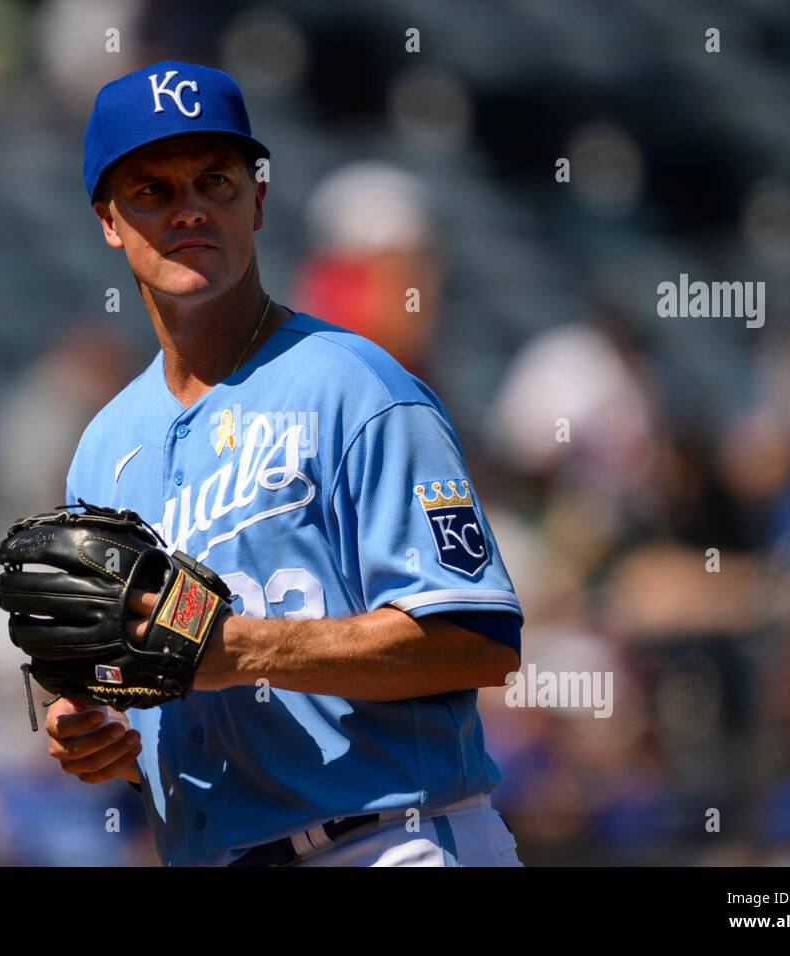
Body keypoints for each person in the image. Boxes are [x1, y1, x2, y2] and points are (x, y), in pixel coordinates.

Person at [45, 60, 524, 867]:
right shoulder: (102, 449)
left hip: (391, 843)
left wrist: (242, 650)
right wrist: (101, 738)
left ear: (258, 199)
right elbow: (155, 706)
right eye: (153, 192)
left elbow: (477, 640)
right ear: (108, 220)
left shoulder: (356, 386)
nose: (190, 209)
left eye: (216, 181)